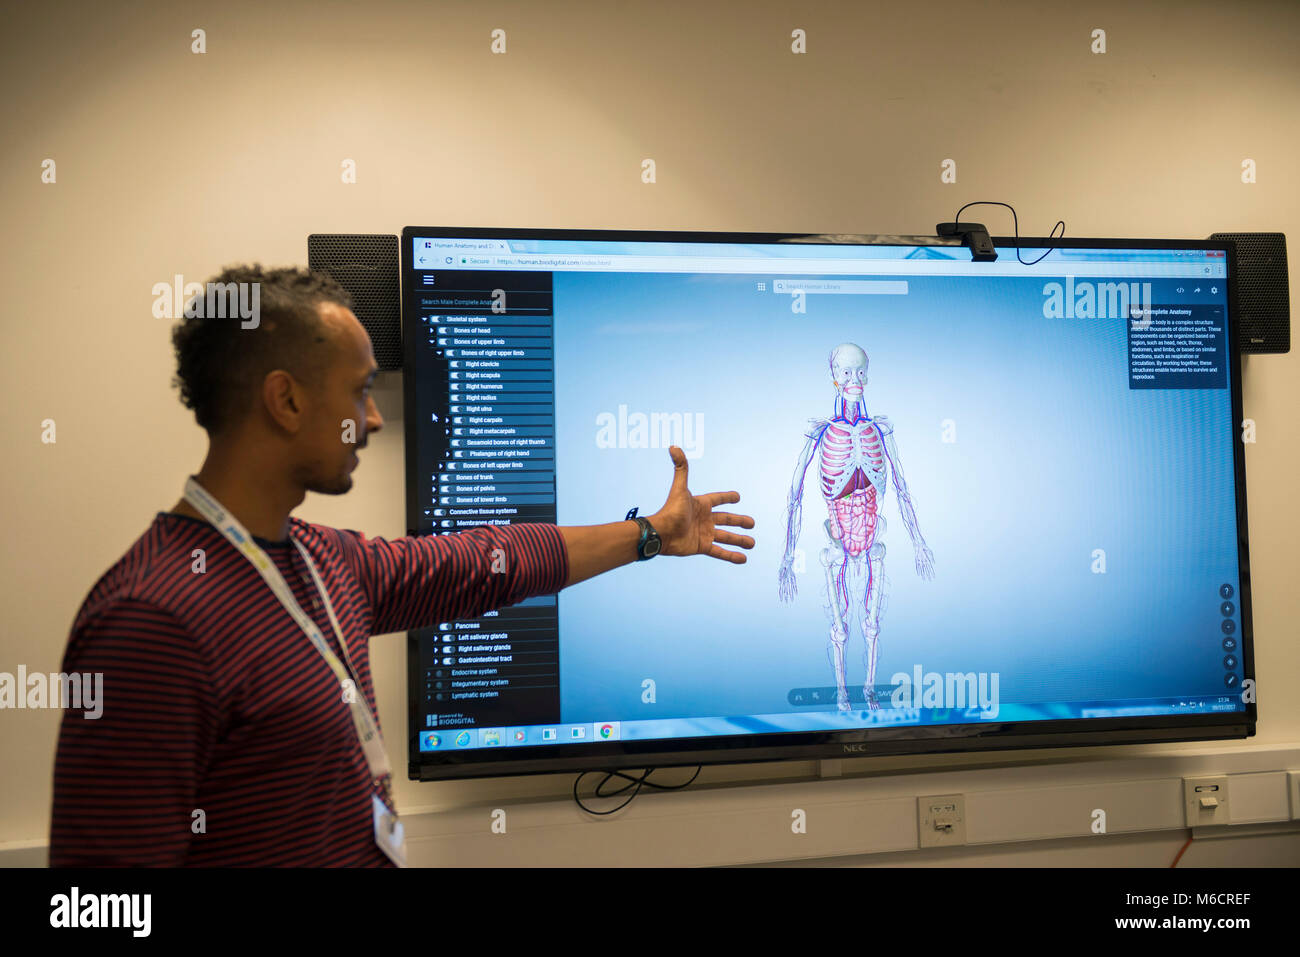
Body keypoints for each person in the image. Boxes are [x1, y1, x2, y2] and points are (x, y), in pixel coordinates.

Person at [49, 264, 754, 866]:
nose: (376, 417)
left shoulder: (323, 563)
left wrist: (653, 534)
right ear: (286, 400)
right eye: (360, 391)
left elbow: (487, 565)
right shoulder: (151, 621)